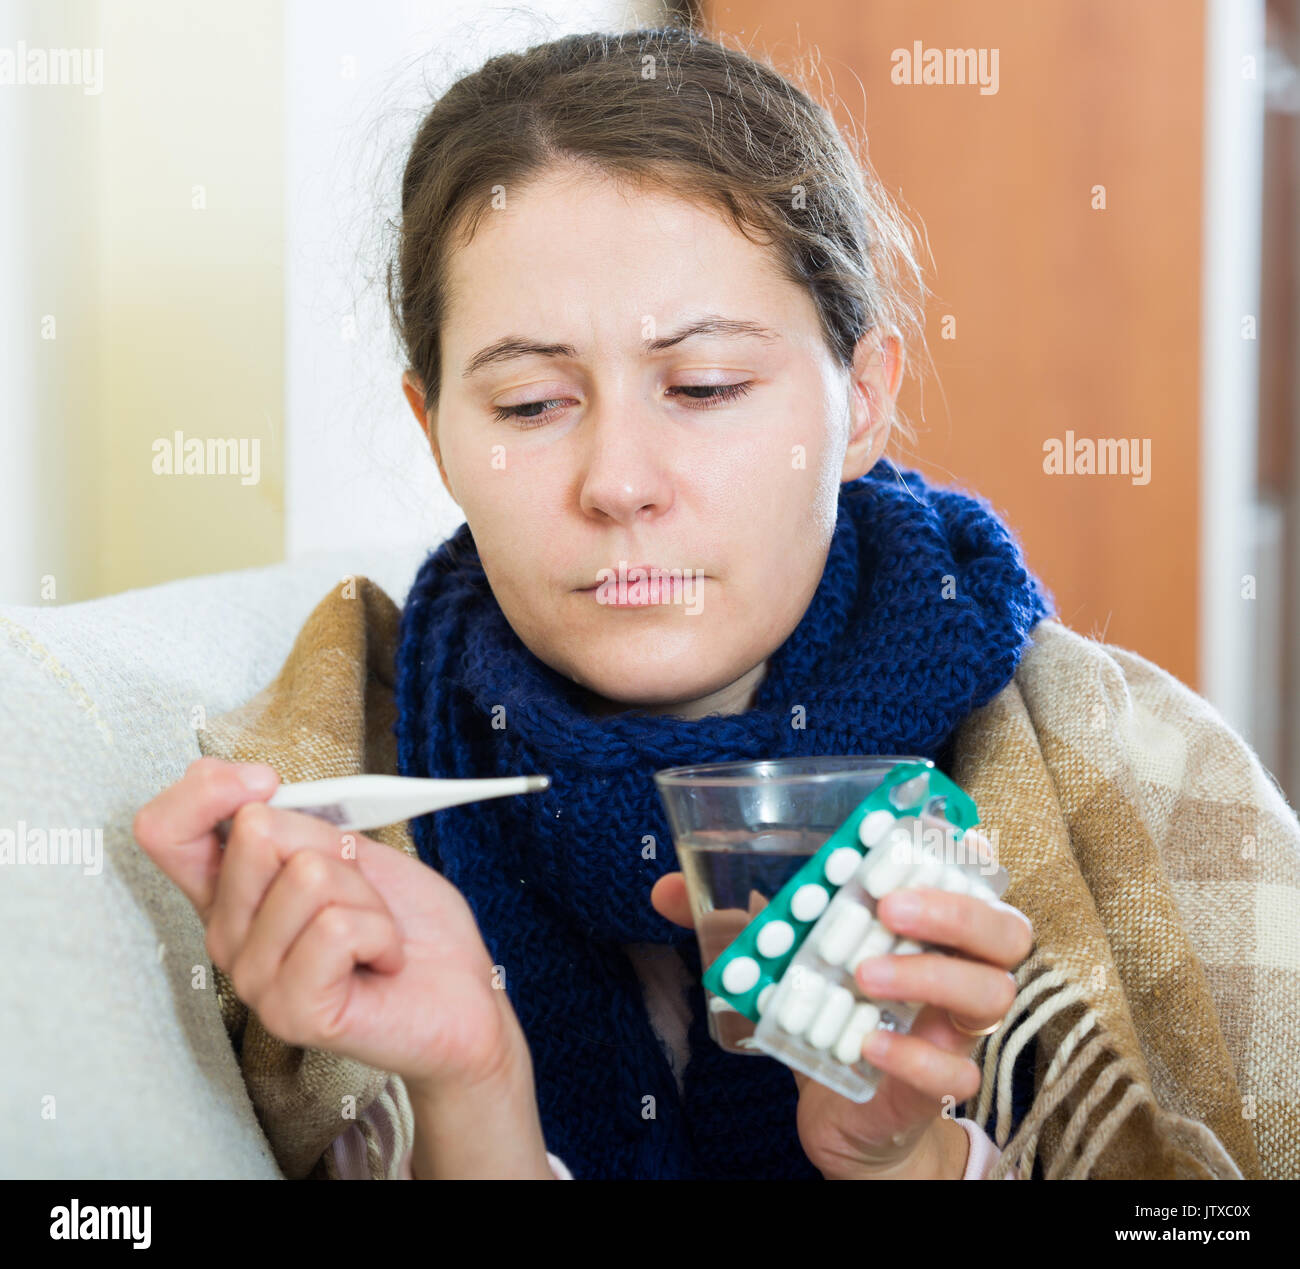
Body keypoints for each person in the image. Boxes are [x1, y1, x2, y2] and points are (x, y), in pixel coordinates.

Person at [133, 25, 1300, 1181]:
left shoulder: (1149, 778)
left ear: (864, 401)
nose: (619, 483)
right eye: (532, 405)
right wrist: (472, 1090)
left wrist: (909, 1163)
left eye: (704, 385)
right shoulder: (320, 840)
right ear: (435, 433)